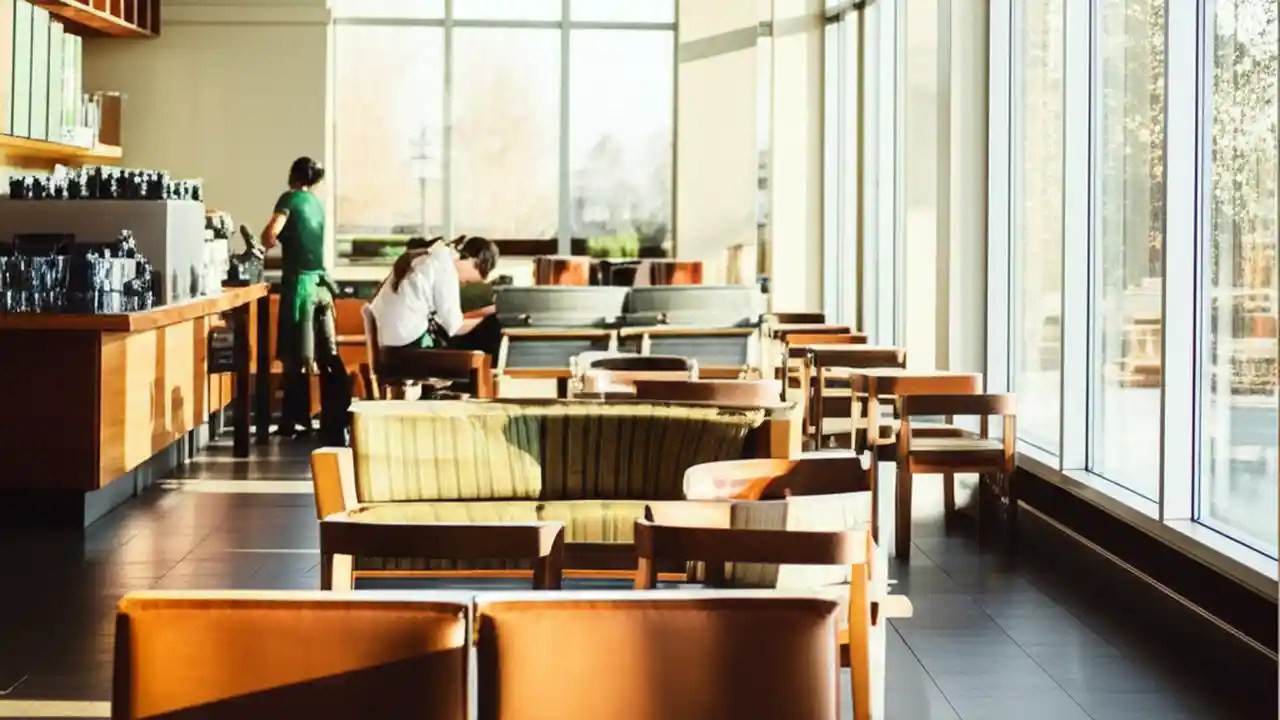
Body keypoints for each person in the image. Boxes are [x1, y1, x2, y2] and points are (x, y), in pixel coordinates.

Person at [261, 156, 336, 436]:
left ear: (293, 176)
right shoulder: (318, 205)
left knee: (294, 353)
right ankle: (315, 416)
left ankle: (292, 420)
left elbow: (270, 235)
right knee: (317, 351)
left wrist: (269, 242)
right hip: (321, 285)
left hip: (299, 286)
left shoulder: (290, 199)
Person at [369, 235, 502, 357]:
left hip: (384, 341)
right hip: (405, 345)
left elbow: (442, 320)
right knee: (491, 329)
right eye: (467, 281)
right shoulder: (446, 269)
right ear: (473, 260)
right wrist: (488, 319)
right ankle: (483, 380)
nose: (463, 284)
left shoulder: (432, 257)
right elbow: (454, 328)